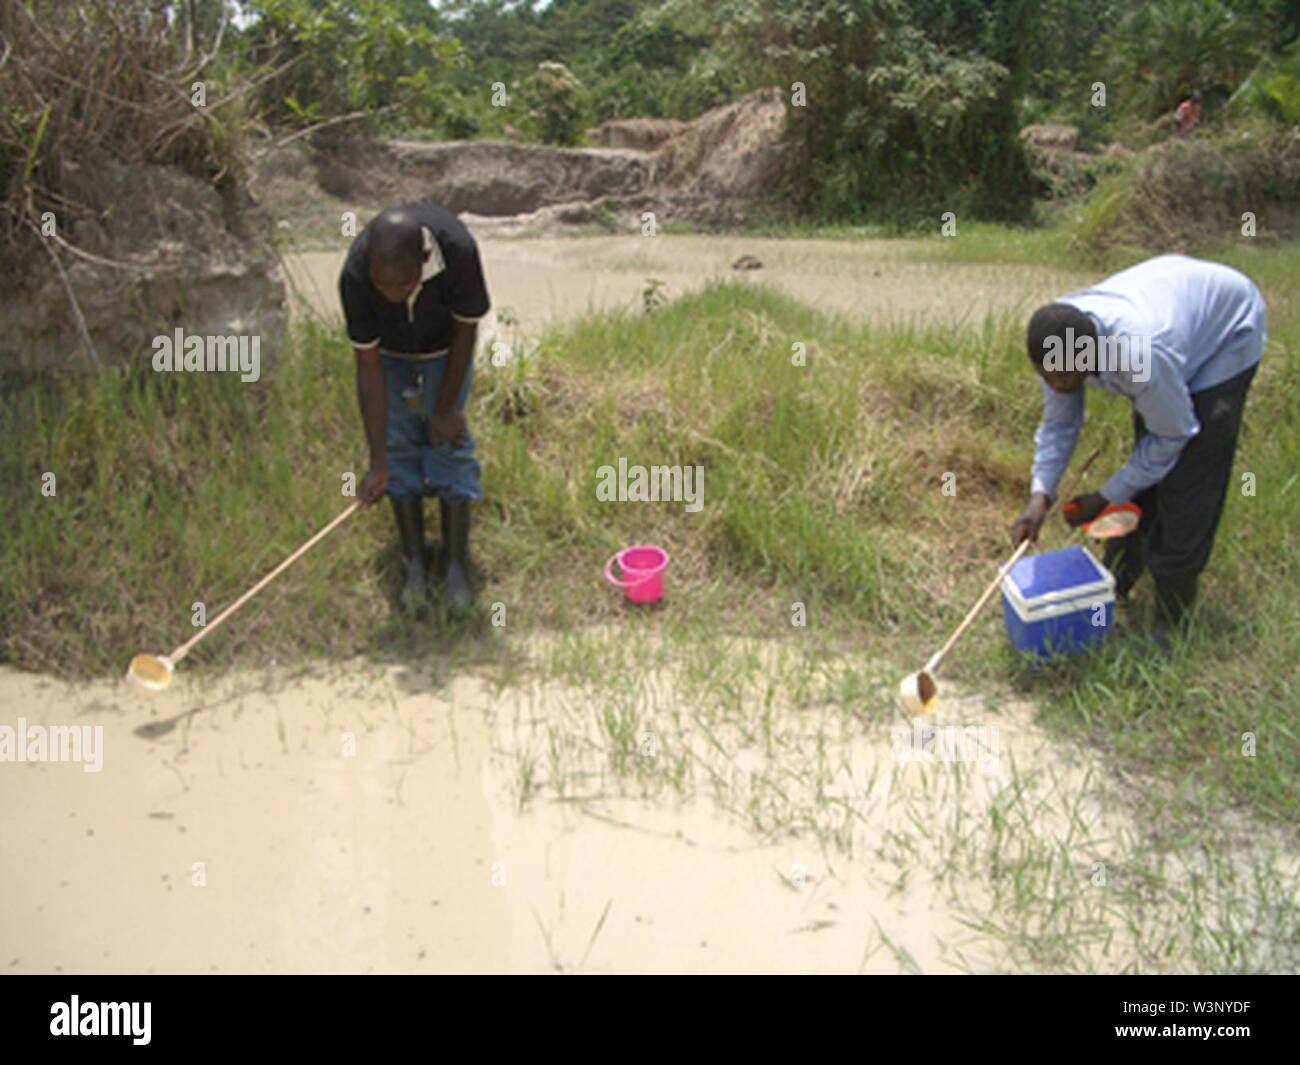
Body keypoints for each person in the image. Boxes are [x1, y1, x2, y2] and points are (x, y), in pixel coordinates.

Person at [1010, 255, 1266, 652]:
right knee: (1147, 469)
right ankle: (1115, 581)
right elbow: (1060, 426)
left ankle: (1172, 622)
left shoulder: (1139, 356)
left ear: (1090, 358)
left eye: (1063, 378)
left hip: (1227, 332)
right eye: (1048, 377)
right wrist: (1039, 496)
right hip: (1172, 313)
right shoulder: (1058, 340)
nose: (1056, 385)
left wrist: (1106, 495)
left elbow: (1173, 436)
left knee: (1189, 480)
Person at [339, 204, 490, 613]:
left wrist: (445, 407)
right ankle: (414, 563)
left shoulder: (457, 249)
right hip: (388, 355)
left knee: (449, 443)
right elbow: (368, 368)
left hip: (446, 350)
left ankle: (455, 561)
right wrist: (377, 459)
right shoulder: (355, 275)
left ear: (424, 260)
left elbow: (466, 328)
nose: (392, 294)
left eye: (404, 284)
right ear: (369, 264)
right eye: (382, 285)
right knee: (398, 444)